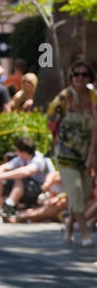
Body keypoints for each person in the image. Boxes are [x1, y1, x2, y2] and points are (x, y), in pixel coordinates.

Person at [45, 60, 97, 246]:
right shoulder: (64, 98)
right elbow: (50, 118)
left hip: (87, 154)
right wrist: (57, 138)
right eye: (76, 74)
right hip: (66, 154)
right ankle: (84, 233)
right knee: (74, 191)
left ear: (90, 77)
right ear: (71, 77)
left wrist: (92, 154)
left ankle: (69, 225)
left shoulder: (94, 98)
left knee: (85, 193)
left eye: (84, 74)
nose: (80, 78)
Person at [0, 137, 55, 215]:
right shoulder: (20, 158)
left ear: (23, 152)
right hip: (30, 188)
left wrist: (3, 175)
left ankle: (9, 204)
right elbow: (3, 167)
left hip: (43, 188)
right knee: (1, 178)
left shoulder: (40, 159)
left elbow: (26, 172)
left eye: (17, 151)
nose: (16, 153)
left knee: (20, 177)